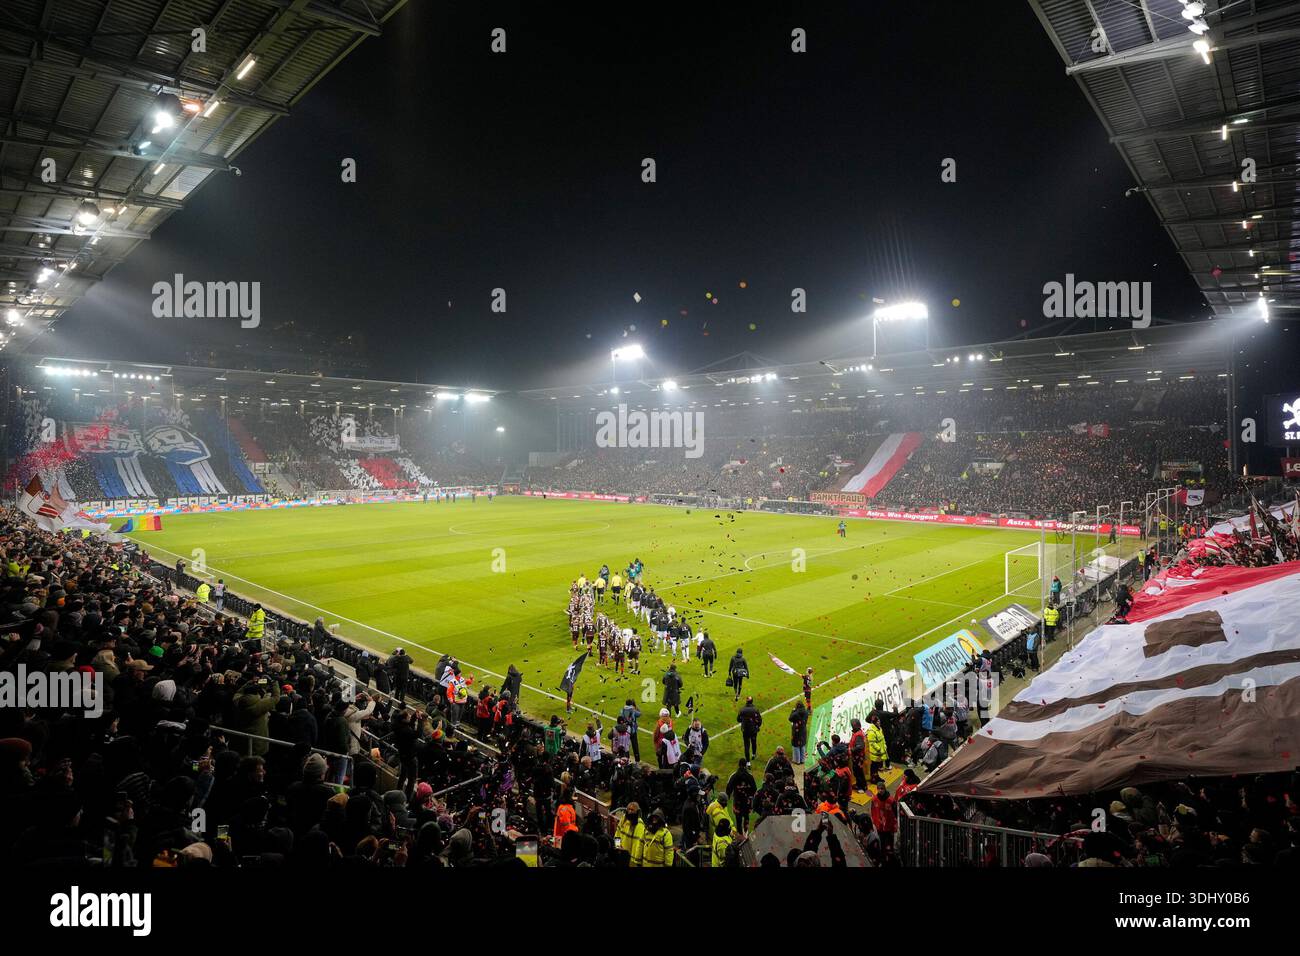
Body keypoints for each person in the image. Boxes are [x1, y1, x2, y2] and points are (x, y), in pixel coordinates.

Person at [615, 802, 646, 866]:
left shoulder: (640, 825)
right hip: (621, 854)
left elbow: (637, 845)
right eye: (628, 809)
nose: (630, 811)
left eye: (632, 810)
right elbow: (617, 834)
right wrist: (617, 846)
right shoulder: (623, 819)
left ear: (637, 812)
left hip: (630, 860)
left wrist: (634, 861)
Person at [737, 696, 763, 763]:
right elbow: (760, 720)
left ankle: (748, 762)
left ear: (746, 701)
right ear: (752, 701)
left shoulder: (742, 710)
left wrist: (743, 721)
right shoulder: (755, 709)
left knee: (746, 745)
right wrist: (757, 726)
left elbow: (738, 719)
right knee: (753, 742)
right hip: (753, 730)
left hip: (745, 730)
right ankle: (753, 754)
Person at [789, 699, 809, 765]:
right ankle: (802, 760)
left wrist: (793, 711)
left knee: (796, 745)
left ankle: (797, 760)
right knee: (802, 744)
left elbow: (790, 718)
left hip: (796, 731)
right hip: (803, 730)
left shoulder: (795, 713)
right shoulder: (806, 712)